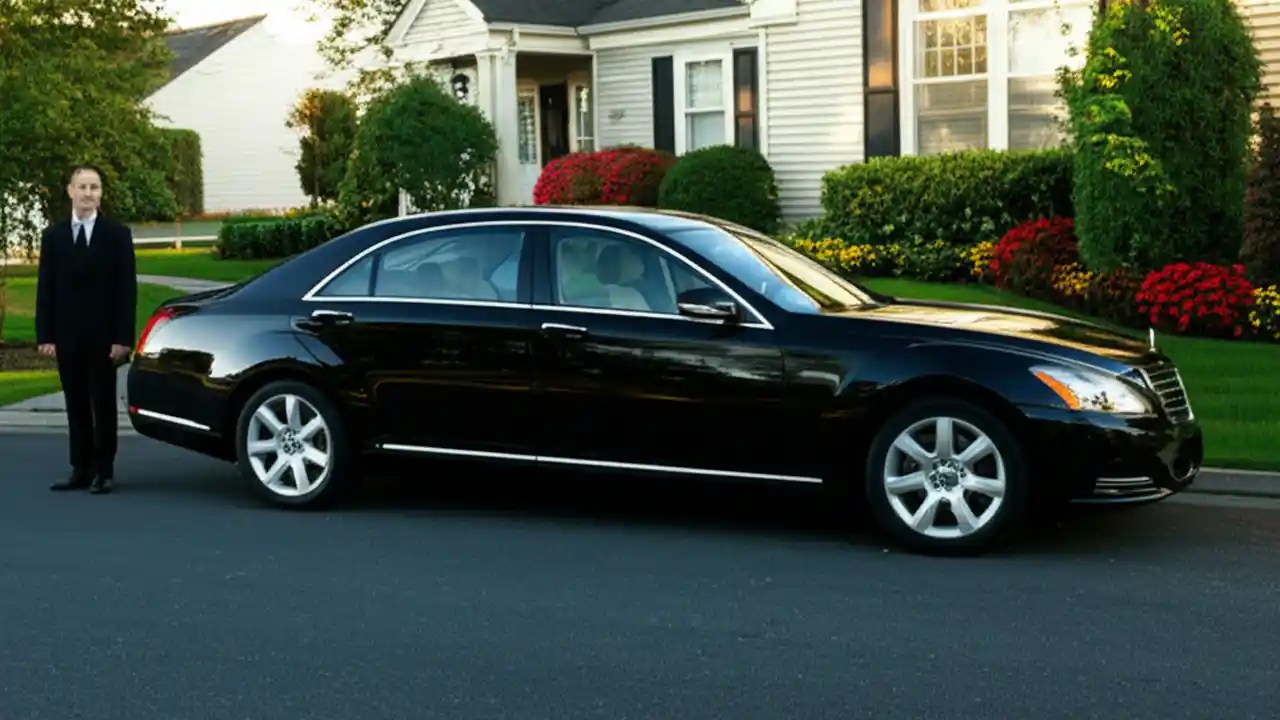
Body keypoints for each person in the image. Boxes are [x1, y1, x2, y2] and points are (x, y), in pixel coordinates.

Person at [35, 164, 137, 494]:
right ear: (70, 191)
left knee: (102, 403)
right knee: (75, 403)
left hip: (104, 338)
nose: (88, 194)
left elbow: (126, 290)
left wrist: (123, 338)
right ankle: (80, 468)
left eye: (94, 187)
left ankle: (104, 470)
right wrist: (45, 335)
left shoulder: (116, 235)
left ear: (100, 194)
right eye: (83, 187)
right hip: (67, 336)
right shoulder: (54, 237)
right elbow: (46, 288)